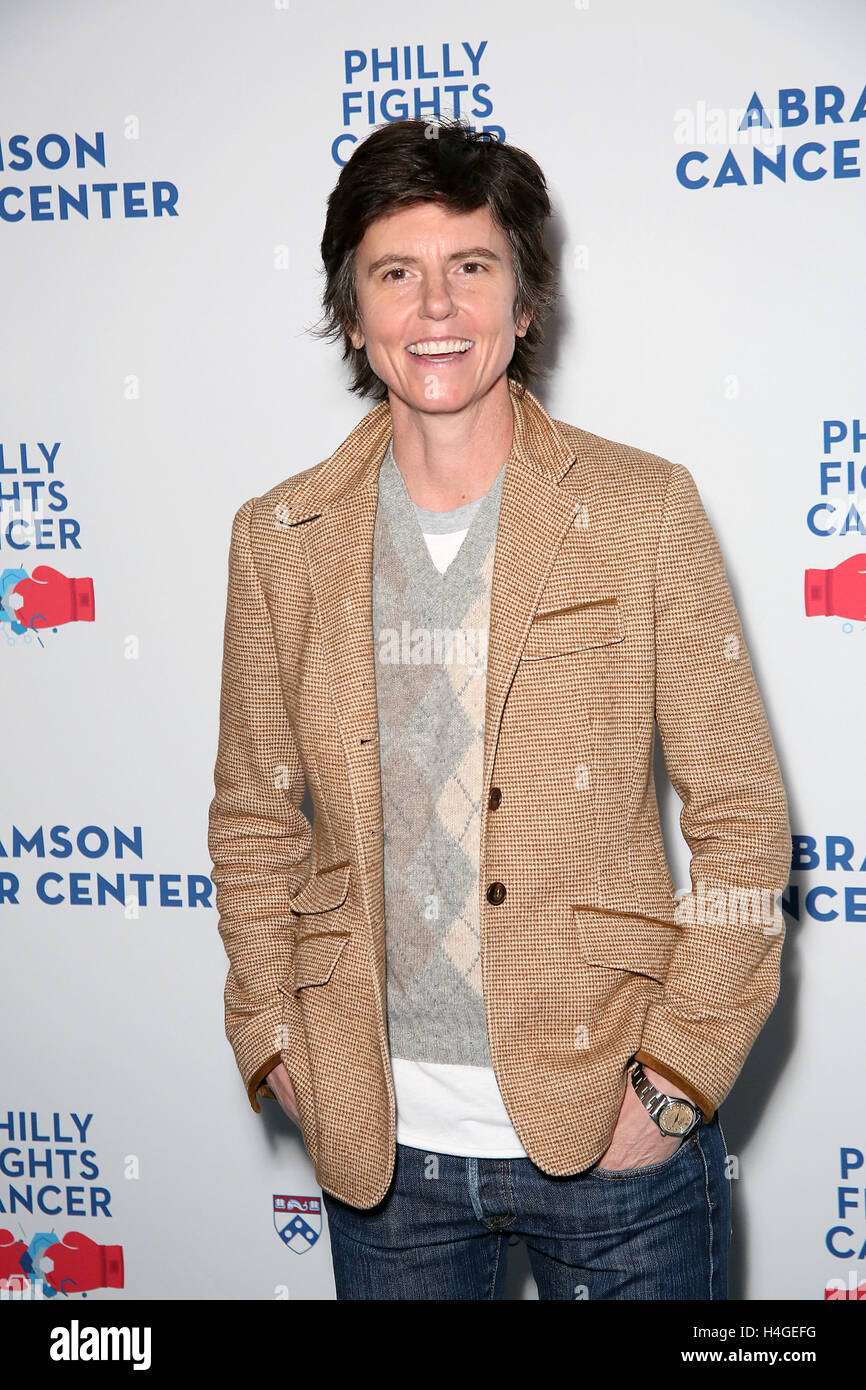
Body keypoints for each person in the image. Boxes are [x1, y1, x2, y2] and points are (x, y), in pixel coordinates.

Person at [208, 116, 791, 1300]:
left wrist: (676, 1071)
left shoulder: (642, 510)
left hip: (611, 1132)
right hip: (380, 1150)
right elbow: (253, 817)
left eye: (470, 268)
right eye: (395, 273)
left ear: (523, 305)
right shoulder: (278, 538)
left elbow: (738, 813)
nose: (435, 307)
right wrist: (272, 1037)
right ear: (353, 312)